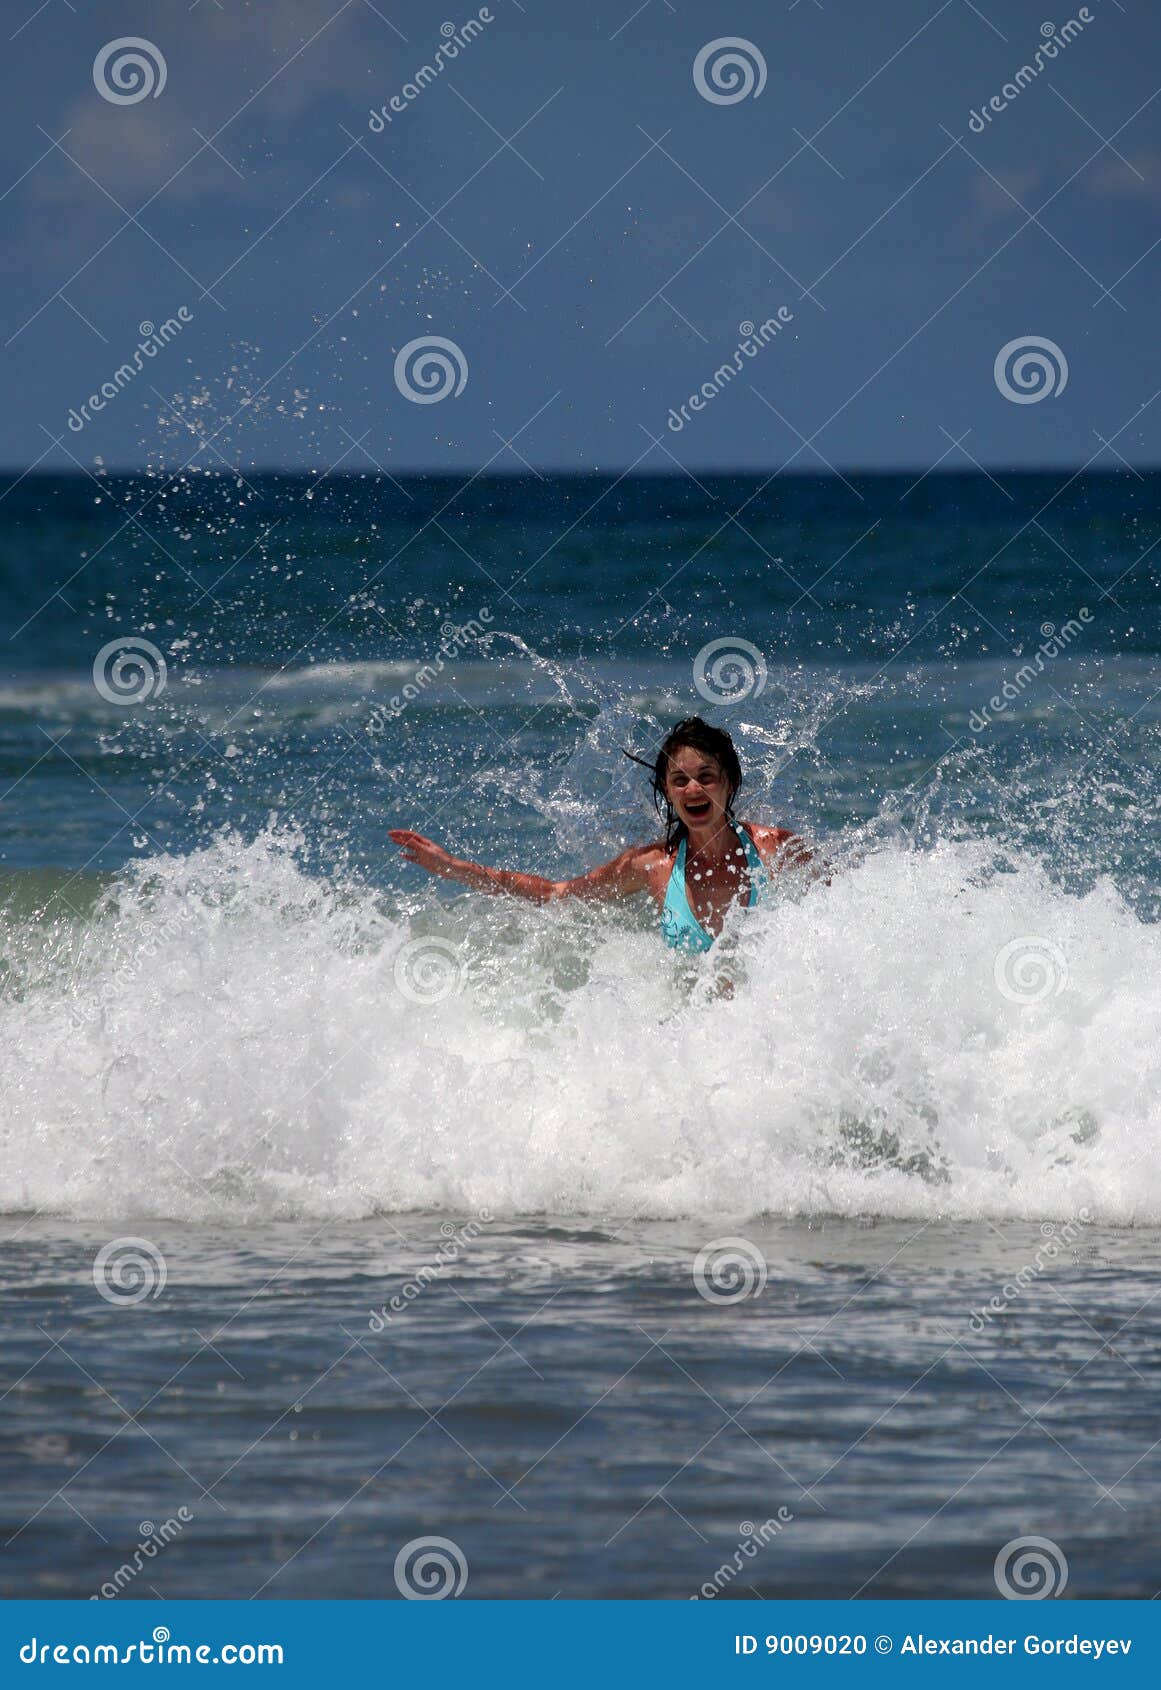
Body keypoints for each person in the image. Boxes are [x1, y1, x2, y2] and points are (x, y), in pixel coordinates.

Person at [389, 717, 817, 953]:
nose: (694, 790)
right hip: (694, 1051)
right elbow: (556, 894)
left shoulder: (773, 849)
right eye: (680, 780)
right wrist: (454, 868)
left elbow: (851, 904)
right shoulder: (652, 867)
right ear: (667, 792)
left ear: (728, 783)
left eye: (706, 776)